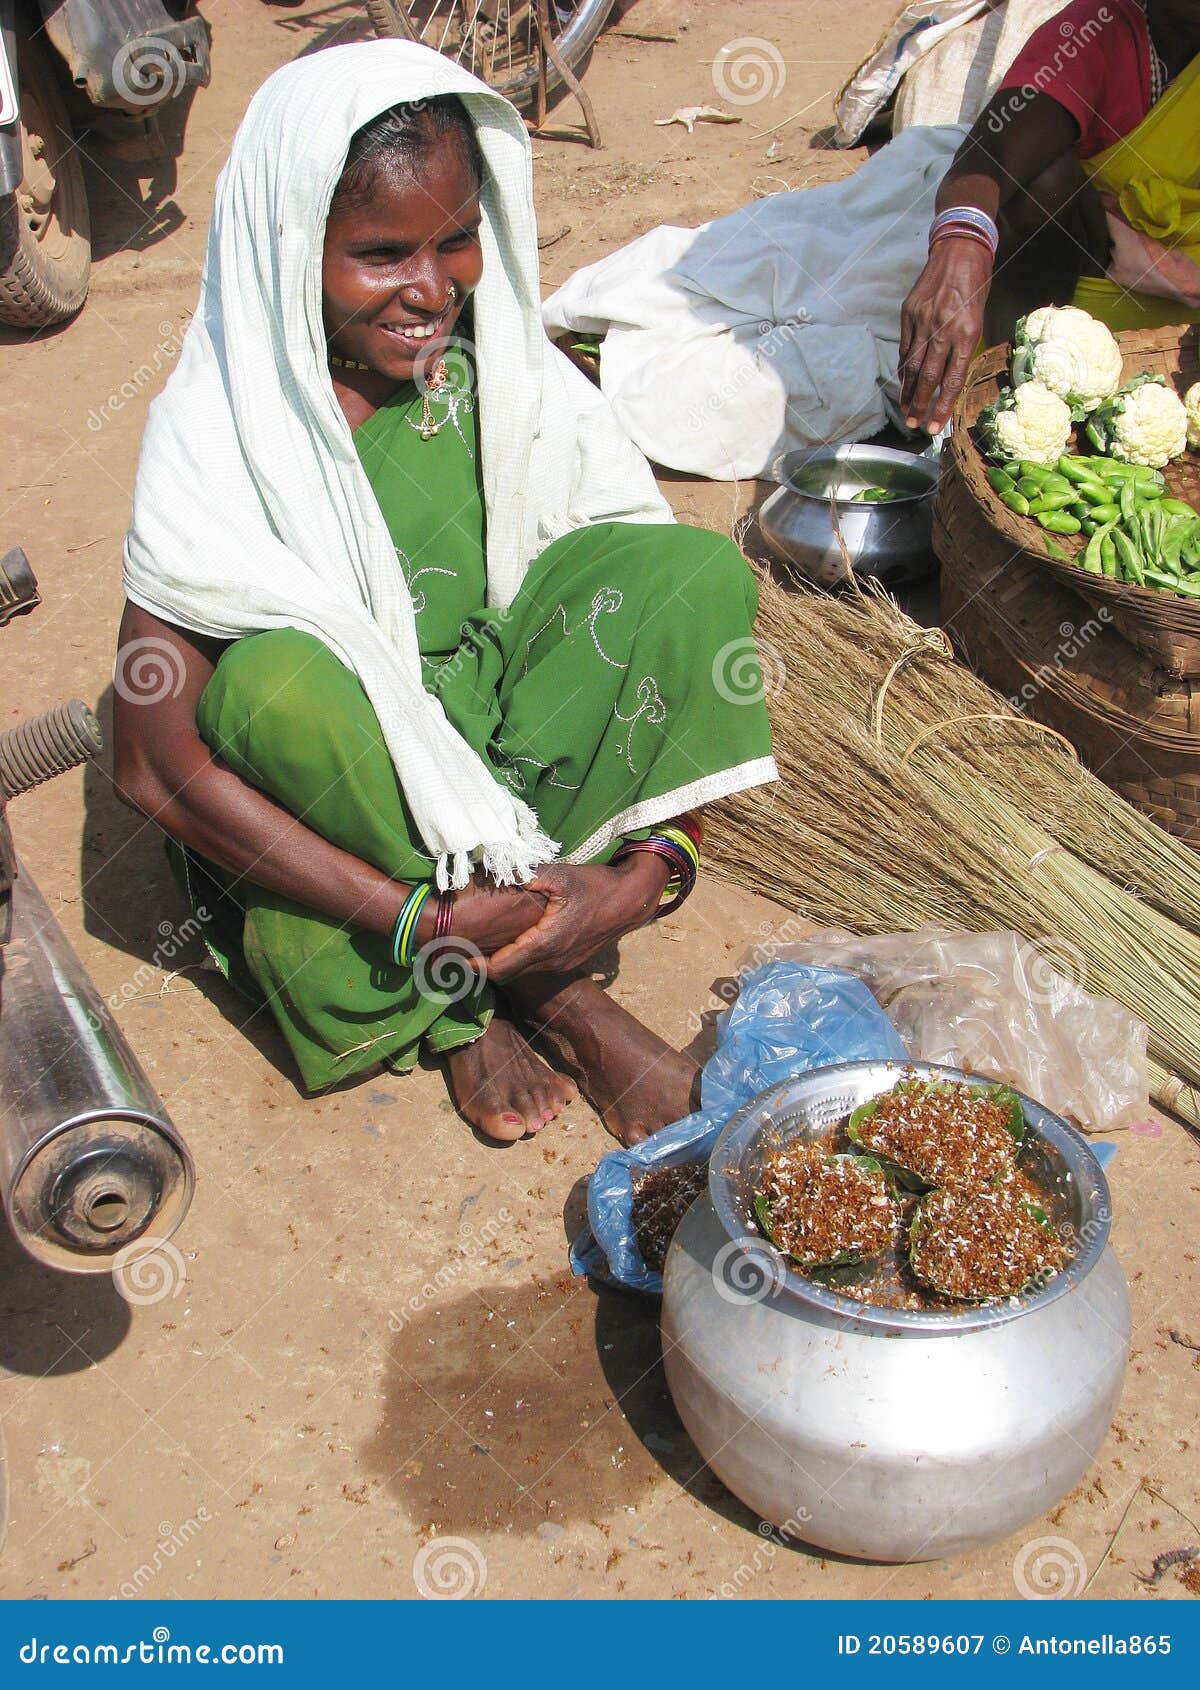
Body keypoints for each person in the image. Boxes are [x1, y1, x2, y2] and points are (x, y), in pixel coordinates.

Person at [113, 41, 776, 1147]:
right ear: (288, 250)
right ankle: (528, 993)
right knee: (274, 682)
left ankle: (531, 930)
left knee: (692, 573)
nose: (432, 290)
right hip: (345, 804)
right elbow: (150, 761)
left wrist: (647, 871)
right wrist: (425, 916)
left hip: (503, 783)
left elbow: (629, 589)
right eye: (379, 254)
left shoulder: (492, 366)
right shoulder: (219, 429)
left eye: (457, 239)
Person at [900, 0, 1200, 434]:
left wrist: (1179, 274)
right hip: (1085, 305)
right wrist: (961, 244)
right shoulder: (1095, 33)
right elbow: (991, 156)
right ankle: (1003, 403)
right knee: (1041, 179)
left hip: (1186, 314)